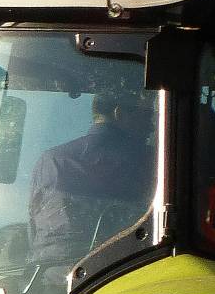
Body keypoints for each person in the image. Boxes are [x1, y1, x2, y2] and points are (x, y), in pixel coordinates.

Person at [27, 88, 157, 270]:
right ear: (120, 114)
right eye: (148, 115)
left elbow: (35, 227)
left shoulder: (51, 160)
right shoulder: (152, 162)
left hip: (48, 278)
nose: (152, 125)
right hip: (121, 276)